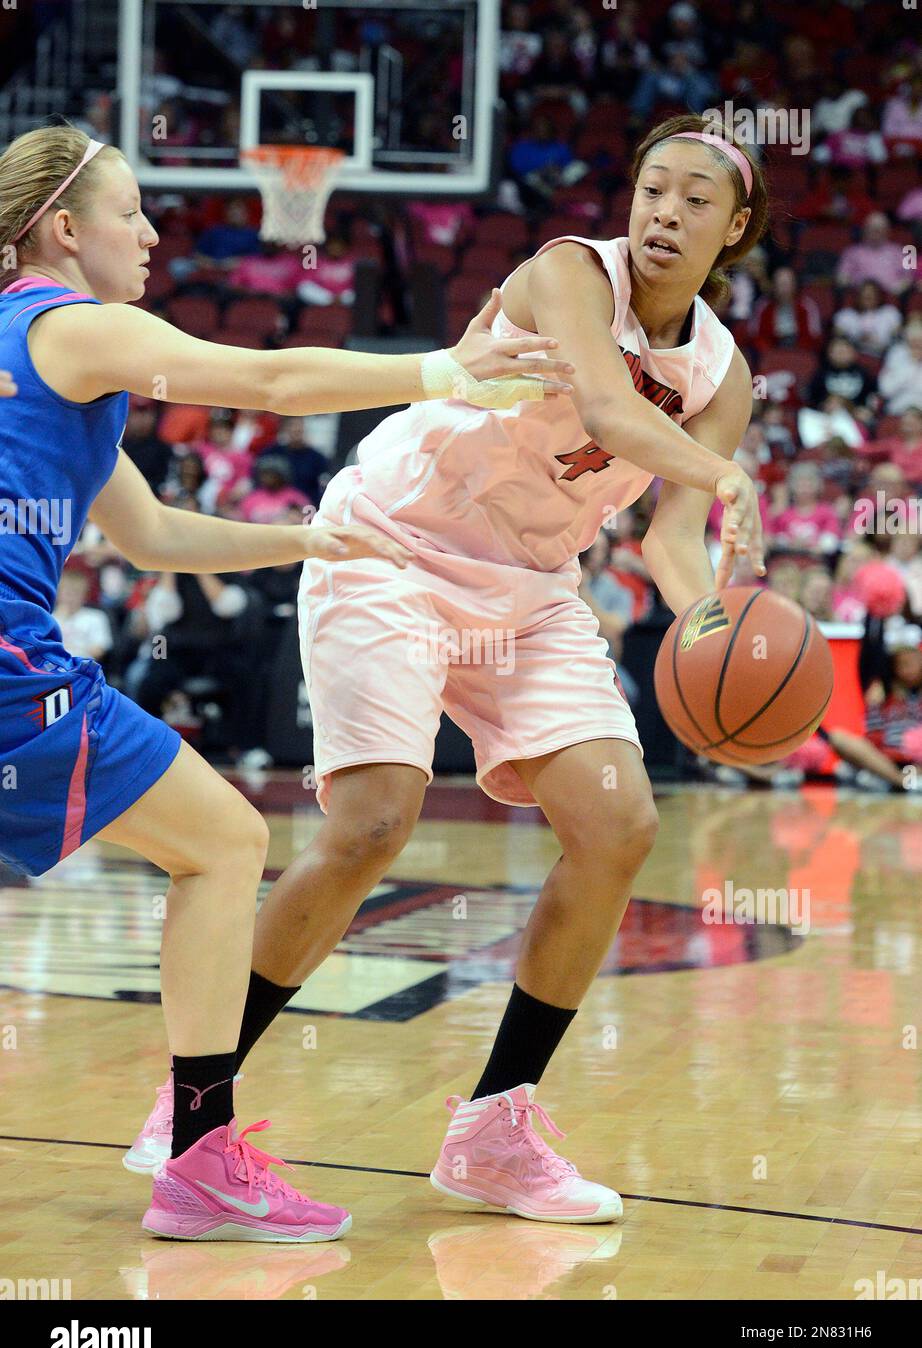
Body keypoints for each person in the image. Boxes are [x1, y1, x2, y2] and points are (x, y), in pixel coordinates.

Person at [129, 114, 768, 1224]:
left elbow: (666, 544)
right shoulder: (569, 271)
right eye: (652, 189)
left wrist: (719, 621)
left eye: (694, 200)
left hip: (527, 589)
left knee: (617, 825)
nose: (663, 213)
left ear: (736, 227)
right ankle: (193, 1102)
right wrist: (725, 477)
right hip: (392, 546)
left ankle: (494, 1132)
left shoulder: (721, 371)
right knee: (374, 823)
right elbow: (611, 410)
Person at [0, 122, 571, 1243]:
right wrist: (444, 370)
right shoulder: (68, 327)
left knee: (215, 840)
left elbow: (153, 533)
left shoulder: (41, 361)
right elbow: (266, 376)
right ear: (64, 231)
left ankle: (200, 1149)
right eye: (131, 212)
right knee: (223, 843)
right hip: (14, 677)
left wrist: (307, 541)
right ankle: (201, 1155)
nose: (154, 232)